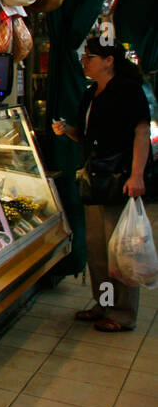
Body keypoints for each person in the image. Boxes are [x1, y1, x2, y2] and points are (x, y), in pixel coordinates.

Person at [52, 37, 153, 332]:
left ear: (109, 61)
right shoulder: (91, 93)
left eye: (90, 57)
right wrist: (65, 130)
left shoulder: (128, 91)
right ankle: (103, 303)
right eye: (84, 56)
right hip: (94, 179)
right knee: (97, 250)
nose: (85, 61)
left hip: (119, 179)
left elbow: (141, 133)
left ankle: (123, 313)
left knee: (119, 250)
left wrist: (137, 175)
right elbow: (85, 136)